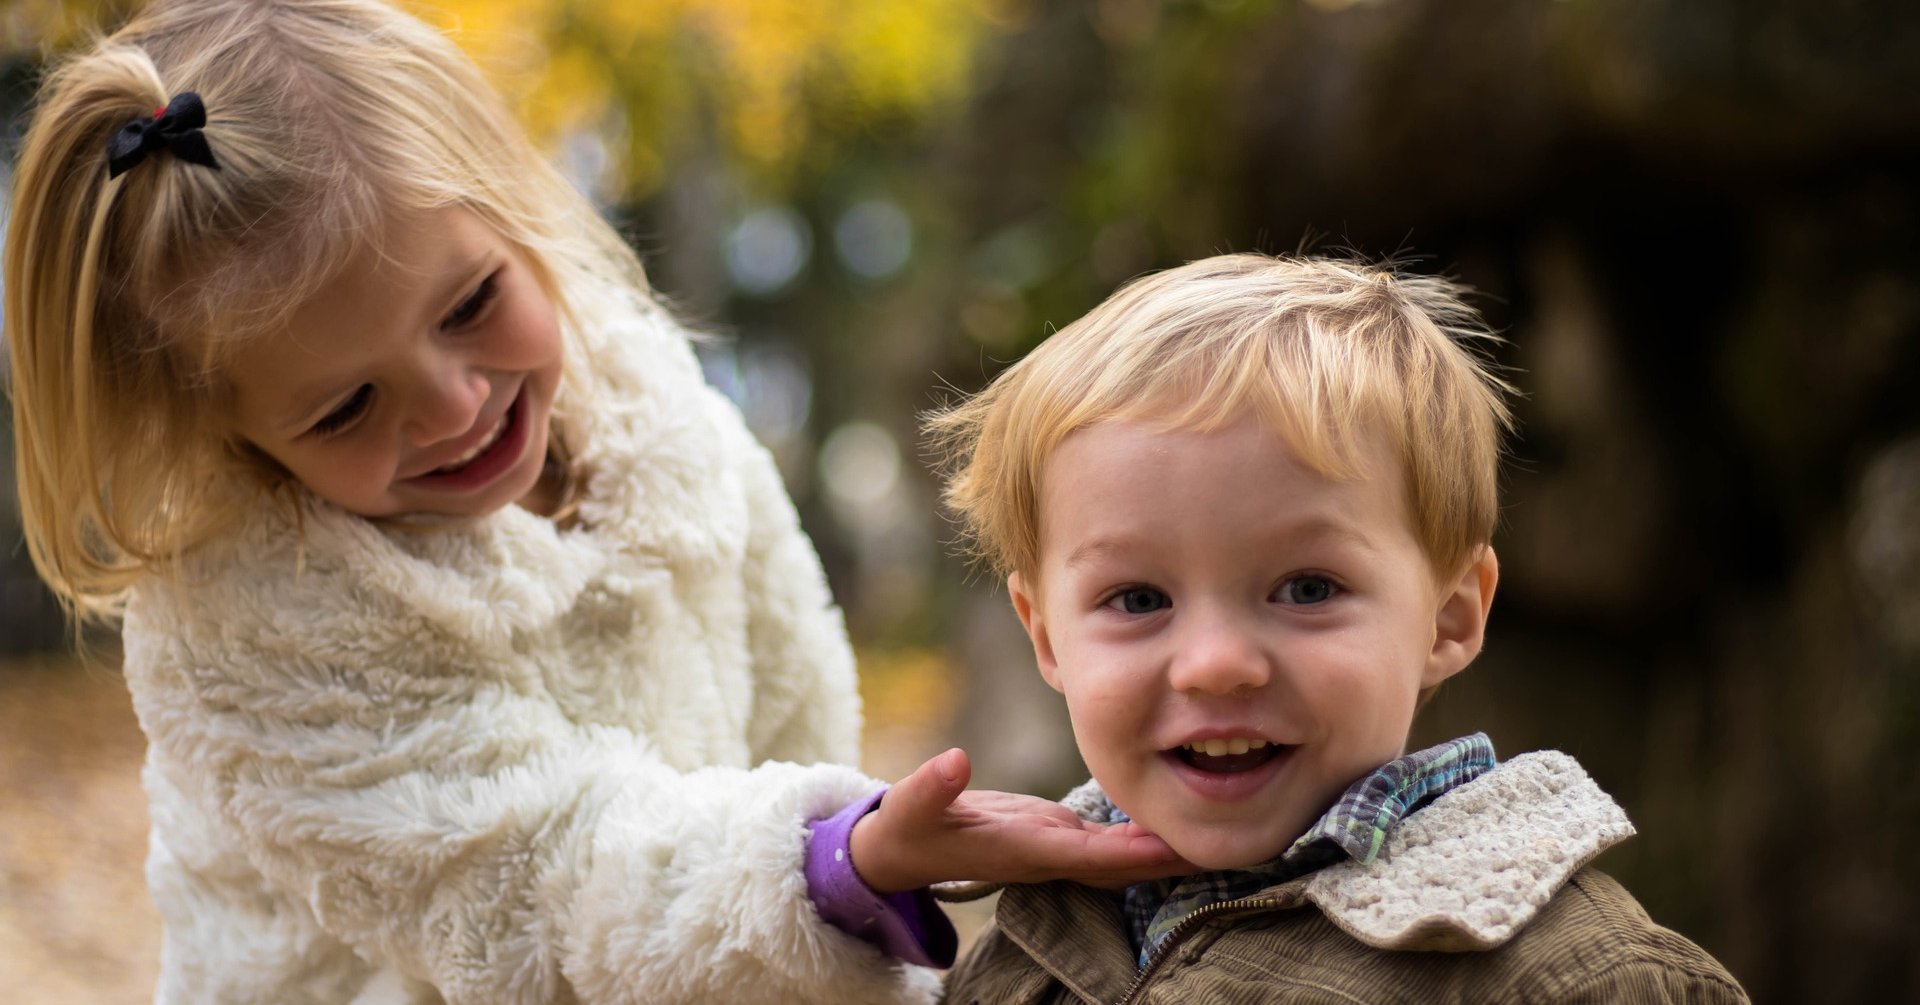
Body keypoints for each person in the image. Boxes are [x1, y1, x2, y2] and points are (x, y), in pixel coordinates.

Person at [1, 2, 1185, 1002]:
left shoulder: (649, 415)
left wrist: (854, 919)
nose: (453, 406)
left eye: (470, 303)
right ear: (233, 436)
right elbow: (530, 887)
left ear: (519, 215)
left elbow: (788, 698)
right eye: (345, 408)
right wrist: (829, 867)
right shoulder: (253, 625)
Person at [920, 254, 1752, 1002]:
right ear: (1047, 637)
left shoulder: (1568, 978)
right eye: (1139, 599)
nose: (1215, 665)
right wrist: (838, 878)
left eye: (1307, 587)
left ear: (1450, 616)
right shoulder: (1026, 945)